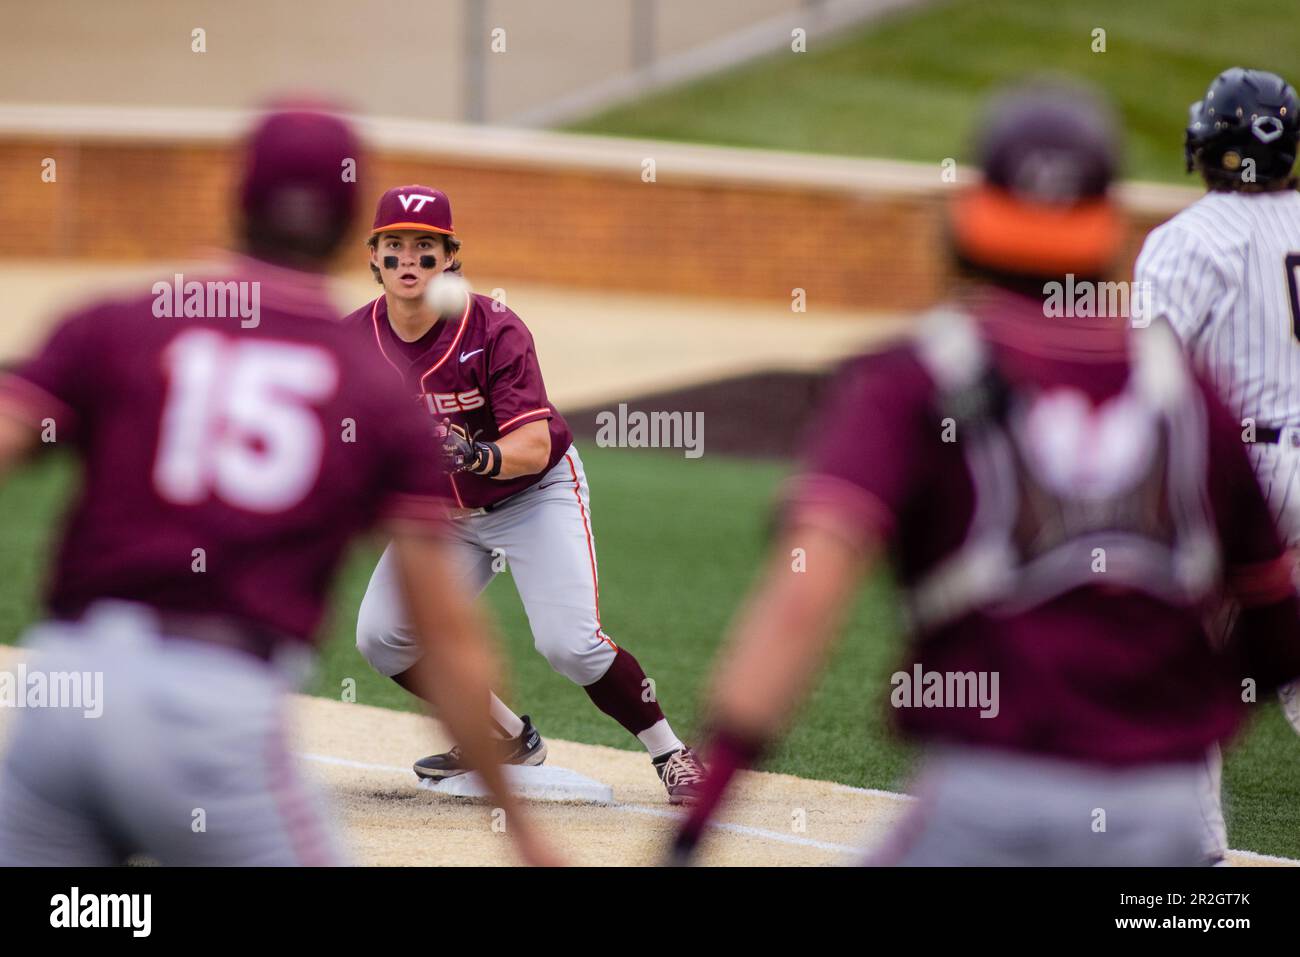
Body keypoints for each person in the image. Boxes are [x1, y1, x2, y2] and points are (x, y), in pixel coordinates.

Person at [669, 83, 1300, 866]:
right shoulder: (1190, 397)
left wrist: (693, 828)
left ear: (970, 224)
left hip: (990, 807)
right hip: (1156, 822)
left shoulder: (913, 376)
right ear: (1102, 229)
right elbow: (1275, 622)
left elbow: (805, 593)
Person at [0, 109, 555, 866]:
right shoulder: (373, 391)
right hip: (213, 714)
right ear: (350, 230)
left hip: (63, 692)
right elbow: (448, 635)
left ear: (238, 199)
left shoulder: (118, 323)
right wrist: (521, 829)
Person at [345, 185, 705, 803]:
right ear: (372, 258)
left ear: (450, 257)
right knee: (382, 637)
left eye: (425, 246)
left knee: (569, 645)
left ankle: (670, 751)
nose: (409, 259)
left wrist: (474, 454)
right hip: (441, 514)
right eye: (394, 245)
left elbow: (534, 447)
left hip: (533, 497)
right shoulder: (353, 341)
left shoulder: (494, 327)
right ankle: (509, 738)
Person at [1135, 66, 1300, 863]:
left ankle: (1193, 874)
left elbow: (1151, 387)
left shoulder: (1188, 240)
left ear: (1209, 143)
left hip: (1244, 482)